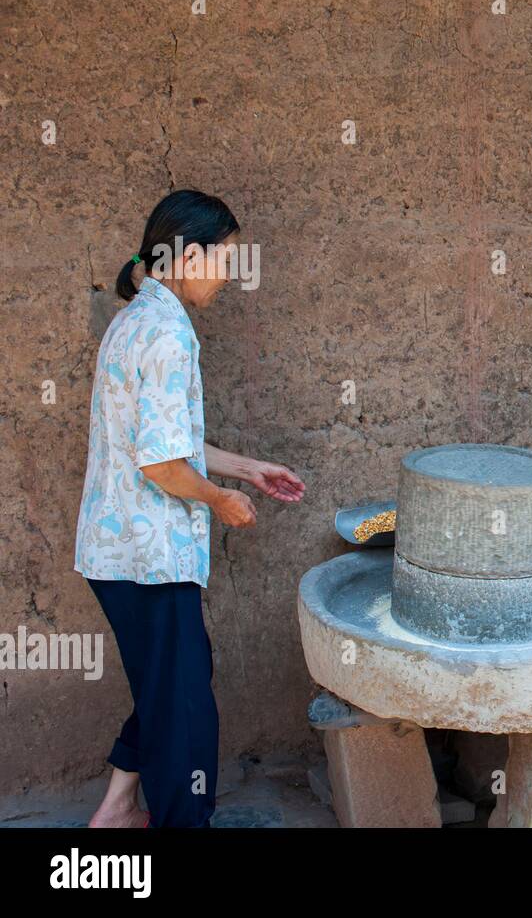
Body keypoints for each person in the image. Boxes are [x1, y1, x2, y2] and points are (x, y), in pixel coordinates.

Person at [74, 190, 306, 827]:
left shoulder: (134, 318)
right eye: (224, 257)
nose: (229, 273)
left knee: (169, 682)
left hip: (114, 550)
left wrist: (246, 469)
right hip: (149, 558)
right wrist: (220, 500)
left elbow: (162, 440)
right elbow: (161, 466)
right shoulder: (170, 333)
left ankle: (119, 809)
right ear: (189, 255)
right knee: (184, 716)